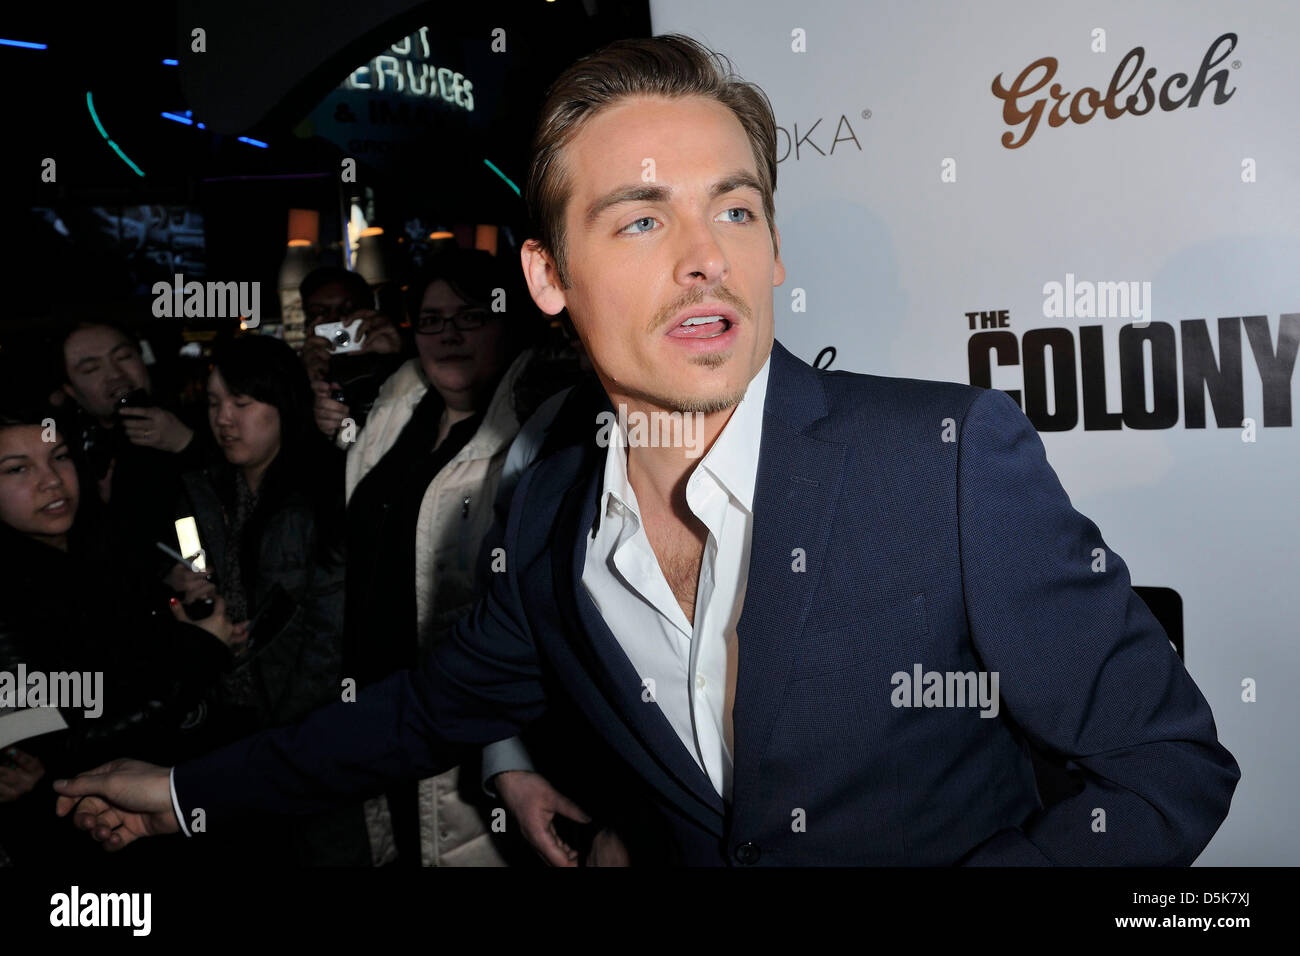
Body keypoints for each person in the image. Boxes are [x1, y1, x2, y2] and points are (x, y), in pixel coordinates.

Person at [56, 34, 1239, 866]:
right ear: (549, 278)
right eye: (640, 217)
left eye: (735, 210)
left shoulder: (940, 456)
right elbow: (421, 715)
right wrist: (177, 793)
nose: (703, 256)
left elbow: (1167, 770)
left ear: (774, 250)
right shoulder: (545, 512)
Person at [325, 248, 585, 866]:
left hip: (476, 719)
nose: (449, 335)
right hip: (381, 703)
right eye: (433, 319)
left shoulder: (540, 431)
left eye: (471, 316)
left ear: (512, 322)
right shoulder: (395, 412)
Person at [0, 396, 237, 865]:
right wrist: (200, 652)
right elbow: (45, 740)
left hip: (170, 796)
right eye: (17, 469)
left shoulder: (99, 543)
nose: (51, 480)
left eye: (60, 457)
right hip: (83, 832)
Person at [164, 335, 361, 864]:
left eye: (242, 404)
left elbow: (330, 633)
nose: (224, 419)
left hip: (296, 725)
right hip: (218, 716)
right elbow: (188, 541)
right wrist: (189, 575)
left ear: (283, 405)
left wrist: (289, 735)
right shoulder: (202, 485)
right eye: (213, 404)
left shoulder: (325, 490)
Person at [298, 267, 405, 431]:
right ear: (306, 324)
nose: (335, 321)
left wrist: (401, 359)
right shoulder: (301, 377)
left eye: (348, 310)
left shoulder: (399, 365)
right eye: (319, 313)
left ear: (371, 314)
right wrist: (303, 383)